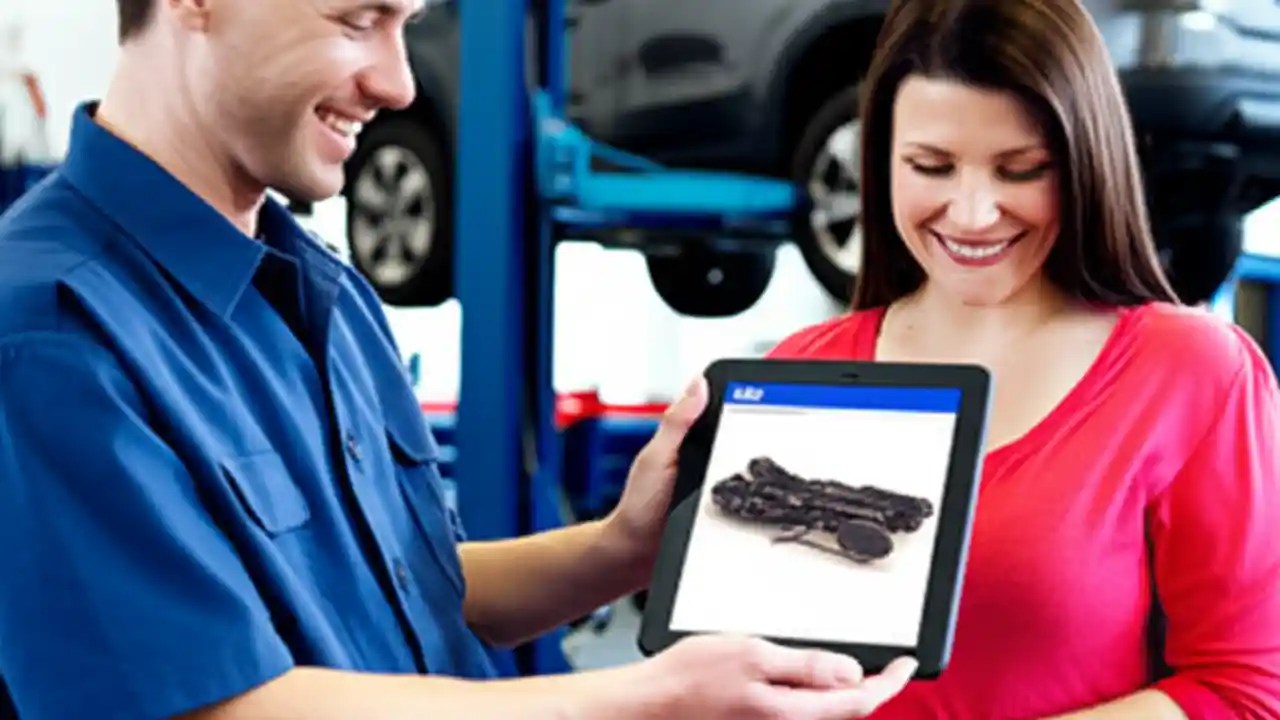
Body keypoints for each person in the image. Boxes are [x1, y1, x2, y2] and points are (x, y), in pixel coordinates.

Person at [0, 1, 920, 719]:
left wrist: (622, 551)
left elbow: (412, 588)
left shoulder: (326, 295)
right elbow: (208, 705)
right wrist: (645, 699)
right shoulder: (47, 331)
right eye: (357, 20)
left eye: (407, 25)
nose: (399, 82)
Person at [767, 0, 1280, 718]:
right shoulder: (799, 373)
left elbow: (1242, 690)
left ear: (1084, 163)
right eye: (931, 166)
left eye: (1020, 171)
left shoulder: (1191, 371)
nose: (973, 212)